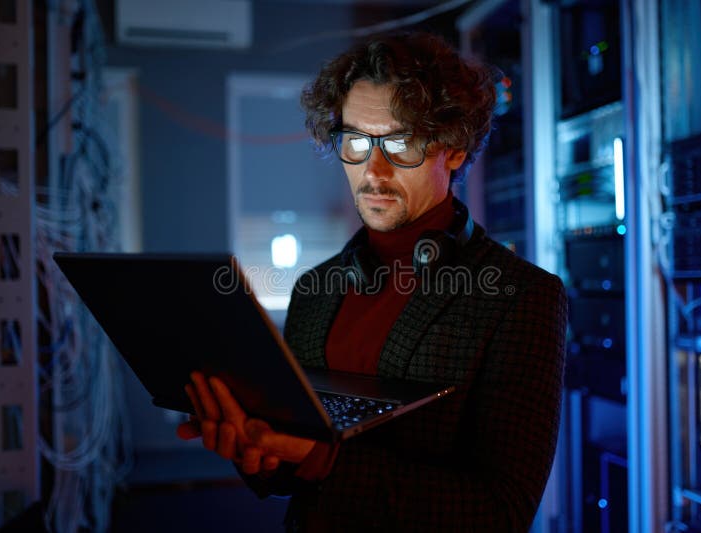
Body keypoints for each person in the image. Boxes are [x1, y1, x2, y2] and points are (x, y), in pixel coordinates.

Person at [177, 31, 567, 532]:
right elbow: (288, 474)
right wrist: (258, 449)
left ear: (453, 147)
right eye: (356, 142)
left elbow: (500, 512)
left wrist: (324, 460)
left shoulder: (522, 297)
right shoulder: (314, 288)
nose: (373, 170)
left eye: (400, 142)